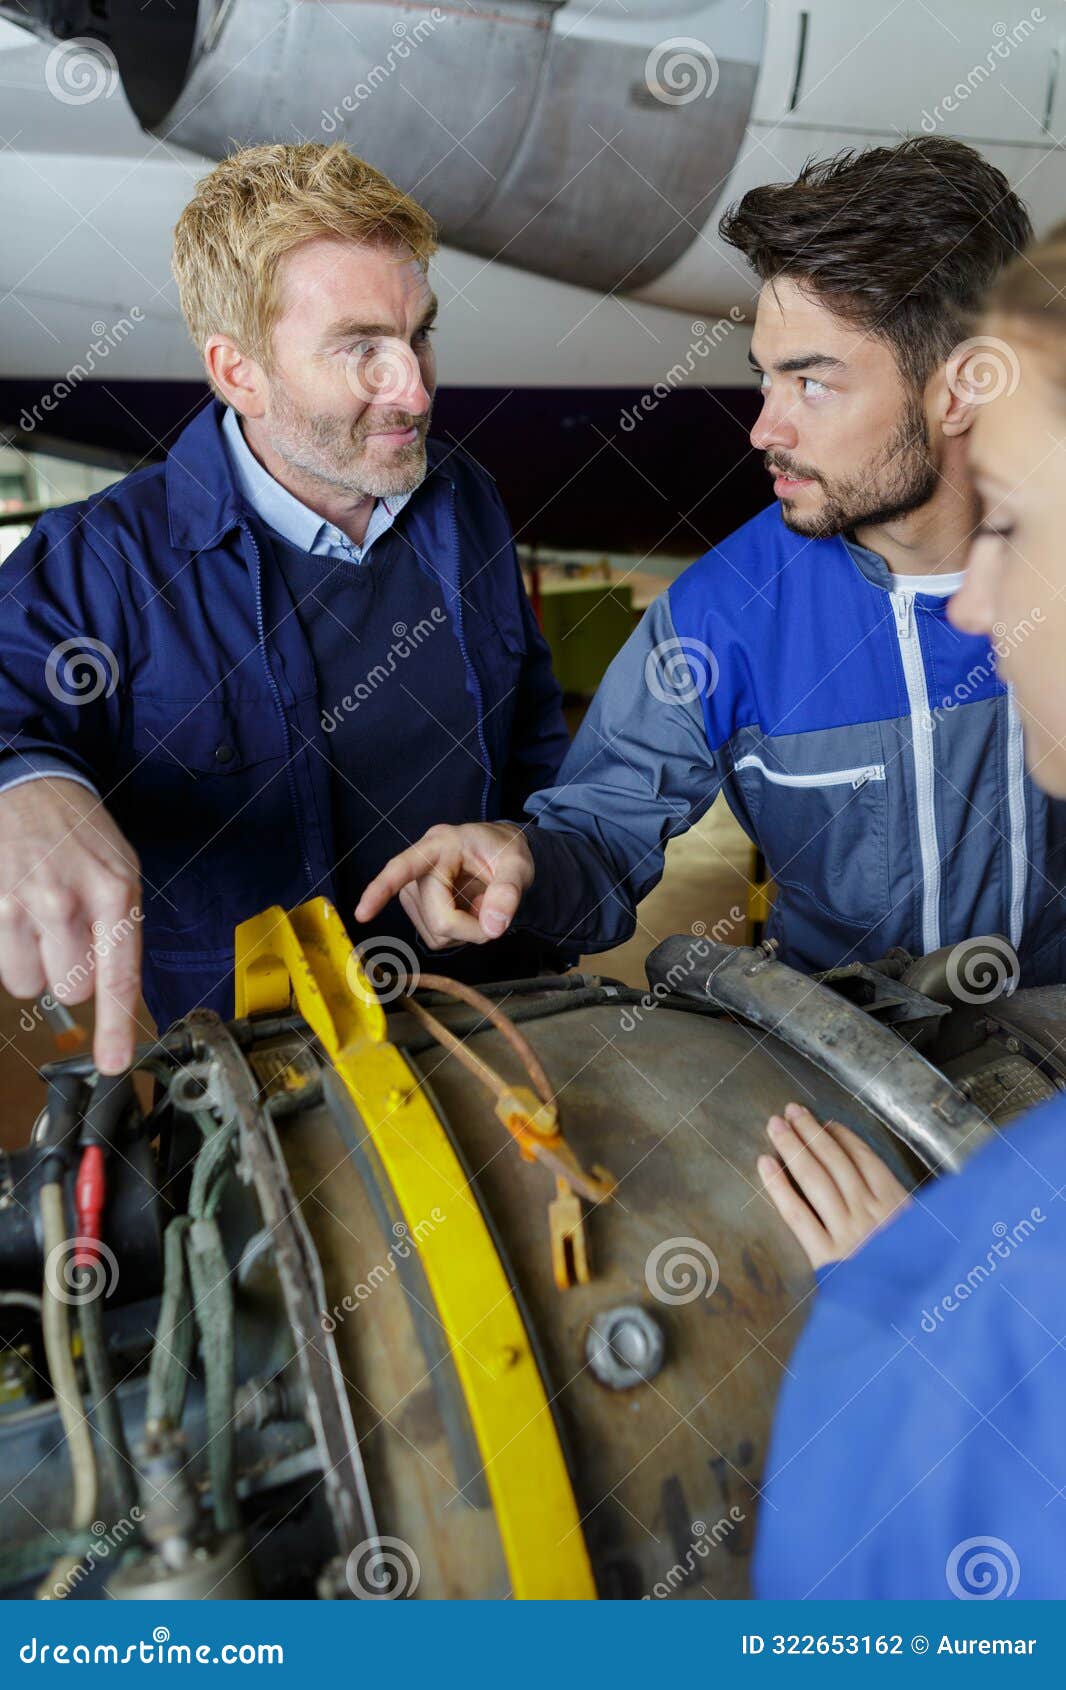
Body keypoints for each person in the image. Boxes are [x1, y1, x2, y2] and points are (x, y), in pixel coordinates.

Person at [357, 138, 1066, 997]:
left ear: (957, 392)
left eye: (812, 384)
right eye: (765, 379)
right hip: (849, 1090)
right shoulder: (717, 617)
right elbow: (602, 836)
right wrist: (525, 860)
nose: (763, 430)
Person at [0, 143, 567, 1072]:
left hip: (489, 1038)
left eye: (419, 334)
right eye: (360, 351)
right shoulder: (102, 559)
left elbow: (533, 733)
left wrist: (530, 859)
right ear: (238, 372)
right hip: (261, 1089)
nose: (416, 390)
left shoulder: (463, 499)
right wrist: (22, 786)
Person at [752, 221, 1066, 1599]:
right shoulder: (725, 611)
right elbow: (595, 823)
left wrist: (932, 1324)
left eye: (1010, 522)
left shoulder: (941, 1353)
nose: (977, 605)